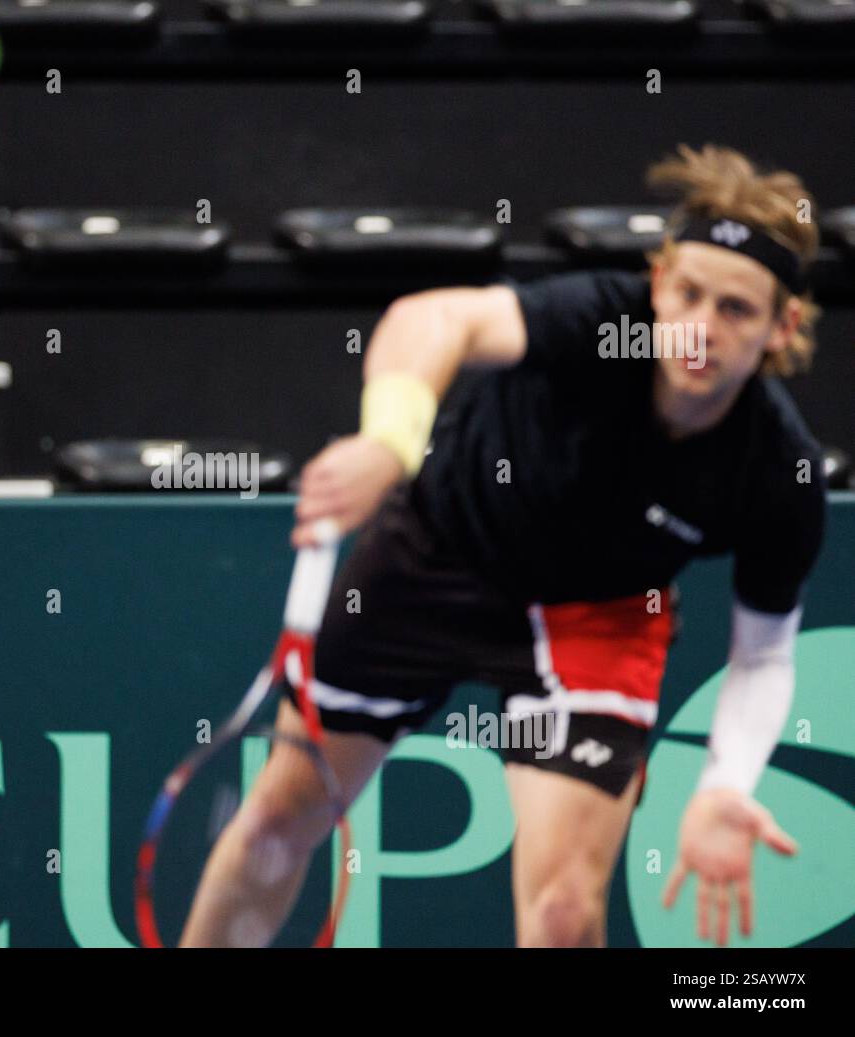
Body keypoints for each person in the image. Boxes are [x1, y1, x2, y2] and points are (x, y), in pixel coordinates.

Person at [182, 144, 825, 948]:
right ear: (658, 284)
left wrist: (728, 782)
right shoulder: (598, 318)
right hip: (435, 555)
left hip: (597, 616)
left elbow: (764, 654)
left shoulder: (776, 470)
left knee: (562, 913)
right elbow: (435, 317)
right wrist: (390, 441)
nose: (700, 328)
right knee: (278, 821)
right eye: (688, 293)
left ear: (781, 327)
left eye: (735, 309)